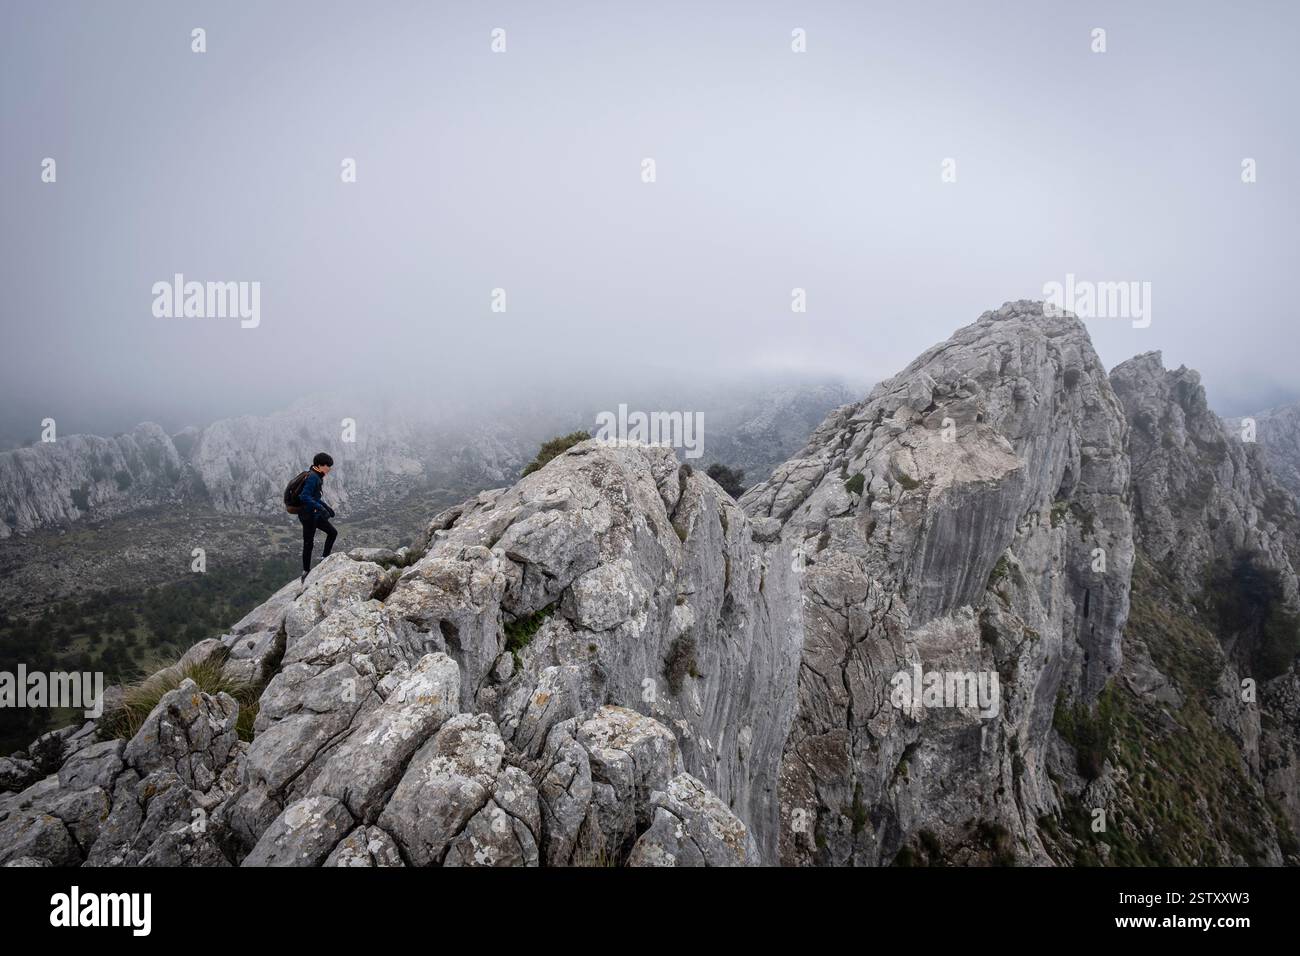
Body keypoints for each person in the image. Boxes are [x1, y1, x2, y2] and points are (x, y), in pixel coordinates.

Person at [298, 452, 337, 583]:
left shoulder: (317, 476)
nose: (329, 468)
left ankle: (324, 558)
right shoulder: (313, 477)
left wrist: (327, 507)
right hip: (307, 515)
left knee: (332, 532)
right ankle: (306, 571)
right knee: (308, 543)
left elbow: (314, 497)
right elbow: (304, 496)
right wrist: (320, 508)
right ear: (320, 465)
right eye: (328, 466)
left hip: (314, 513)